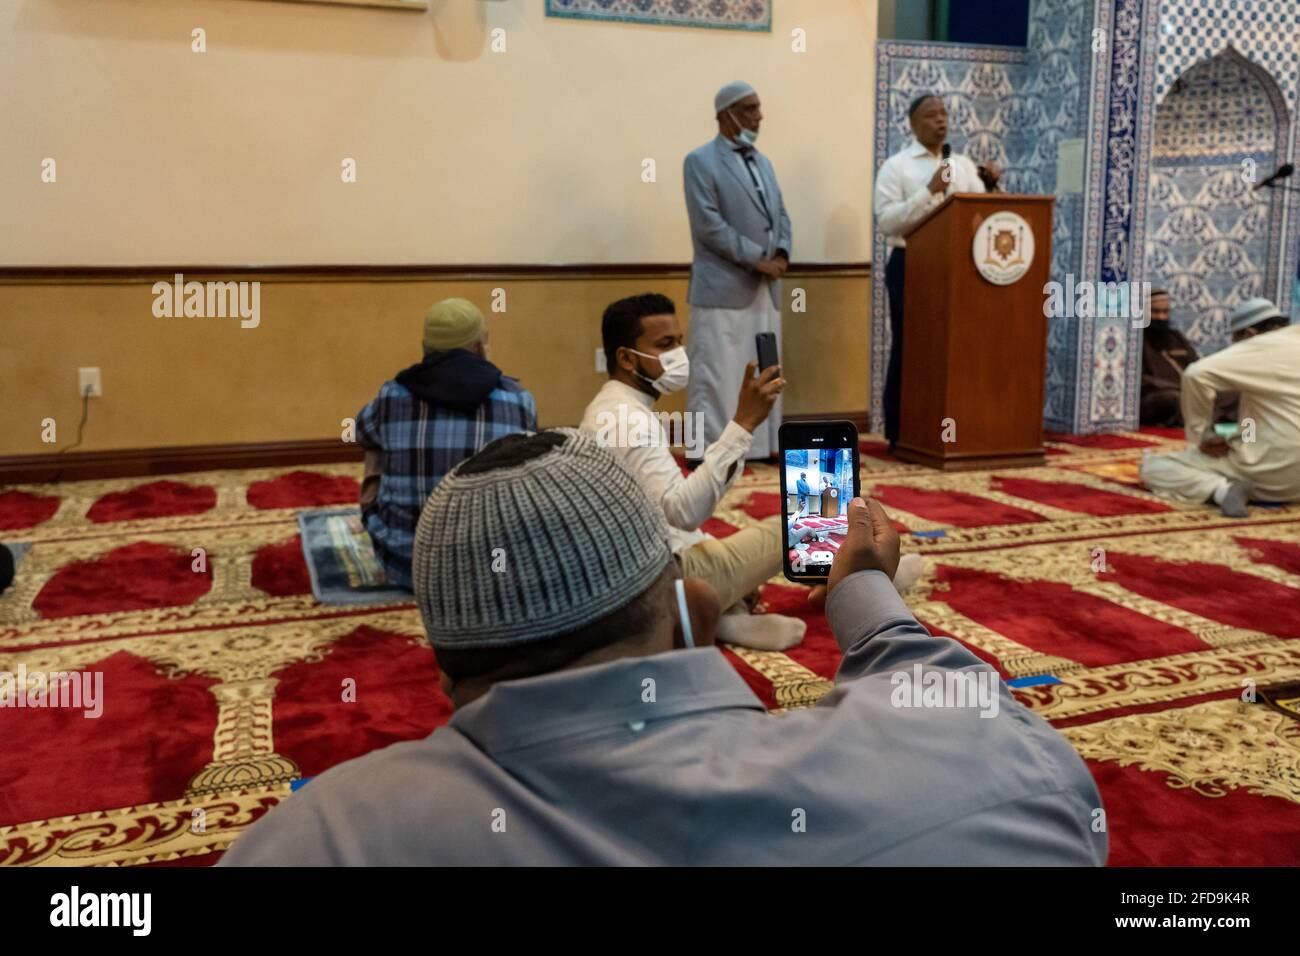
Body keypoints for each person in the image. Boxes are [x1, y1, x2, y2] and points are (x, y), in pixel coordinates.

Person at [219, 428, 1107, 866]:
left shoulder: (316, 840)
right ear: (689, 613)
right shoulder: (986, 769)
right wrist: (864, 595)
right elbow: (1004, 747)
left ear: (443, 669)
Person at [581, 293, 804, 651]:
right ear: (625, 358)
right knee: (807, 516)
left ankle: (723, 617)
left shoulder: (613, 408)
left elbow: (665, 515)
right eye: (665, 345)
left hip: (640, 574)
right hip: (662, 578)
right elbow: (683, 512)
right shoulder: (627, 421)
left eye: (679, 342)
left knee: (719, 546)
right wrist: (743, 424)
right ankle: (867, 578)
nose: (678, 355)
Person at [354, 298, 537, 591]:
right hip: (489, 568)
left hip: (407, 566)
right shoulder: (518, 400)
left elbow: (359, 433)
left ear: (427, 348)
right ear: (480, 346)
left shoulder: (392, 396)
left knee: (376, 439)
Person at [874, 94, 998, 451]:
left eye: (943, 114)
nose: (940, 121)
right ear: (913, 124)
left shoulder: (963, 165)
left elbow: (983, 215)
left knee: (957, 349)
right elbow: (887, 222)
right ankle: (902, 432)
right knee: (913, 348)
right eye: (931, 115)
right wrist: (928, 192)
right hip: (911, 266)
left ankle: (958, 430)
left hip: (960, 269)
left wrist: (989, 185)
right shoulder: (896, 167)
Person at [683, 81, 792, 462]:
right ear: (725, 114)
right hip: (722, 288)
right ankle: (708, 449)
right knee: (717, 371)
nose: (758, 116)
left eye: (758, 108)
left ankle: (760, 447)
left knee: (763, 366)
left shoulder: (764, 162)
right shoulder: (699, 161)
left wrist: (781, 253)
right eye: (749, 109)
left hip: (764, 287)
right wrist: (755, 258)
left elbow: (780, 214)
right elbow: (708, 225)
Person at [1141, 297, 1300, 516]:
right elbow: (1255, 419)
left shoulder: (1258, 347)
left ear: (1249, 334)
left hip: (1271, 477)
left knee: (1154, 467)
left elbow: (1196, 374)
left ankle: (1222, 491)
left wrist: (1202, 435)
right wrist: (1240, 438)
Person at [1140, 288, 1236, 427]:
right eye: (1155, 312)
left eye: (1165, 312)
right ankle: (1213, 421)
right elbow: (1141, 380)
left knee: (1233, 394)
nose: (1161, 317)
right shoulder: (1136, 341)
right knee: (1174, 399)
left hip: (1189, 390)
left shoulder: (1176, 337)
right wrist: (1181, 387)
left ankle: (1215, 420)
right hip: (1157, 395)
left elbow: (1196, 366)